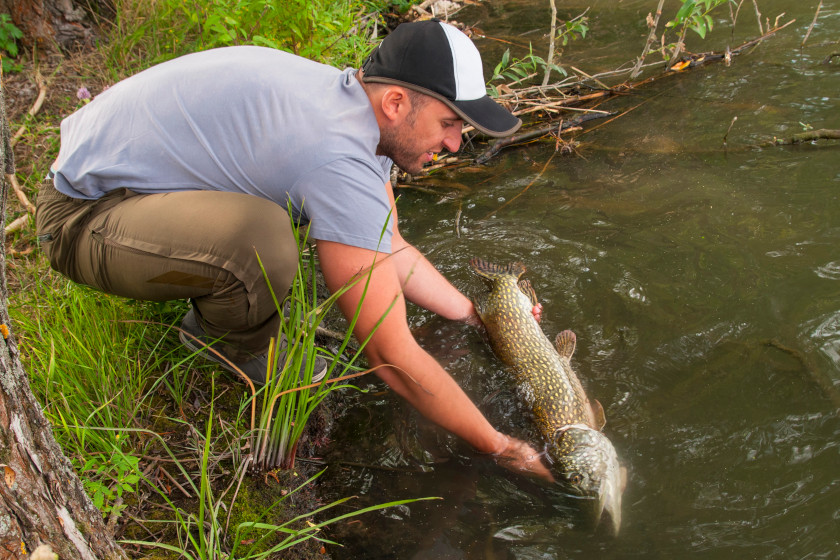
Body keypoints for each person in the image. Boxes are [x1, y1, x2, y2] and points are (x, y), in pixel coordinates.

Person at [36, 19, 553, 481]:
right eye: (449, 123)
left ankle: (225, 304)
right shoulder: (337, 157)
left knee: (273, 232)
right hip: (82, 217)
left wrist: (476, 314)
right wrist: (503, 447)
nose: (456, 144)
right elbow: (389, 357)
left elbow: (389, 246)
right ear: (397, 102)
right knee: (261, 242)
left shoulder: (355, 107)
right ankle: (225, 342)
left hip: (126, 184)